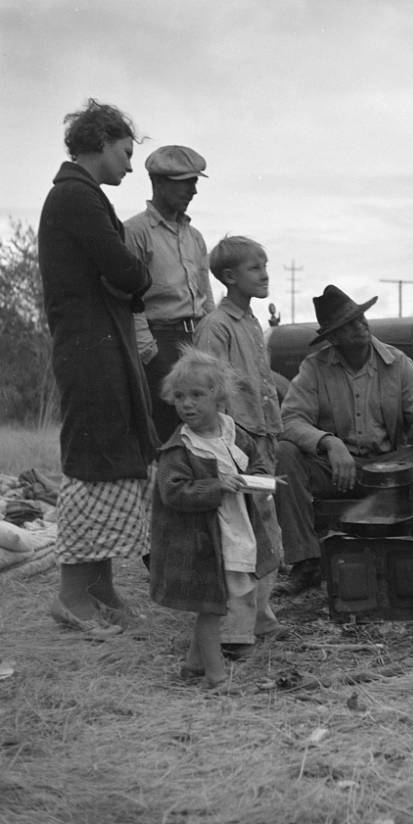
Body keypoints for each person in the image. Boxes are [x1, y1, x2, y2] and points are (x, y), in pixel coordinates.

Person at [37, 99, 158, 638]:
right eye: (126, 152)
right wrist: (133, 276)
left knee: (112, 453)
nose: (131, 165)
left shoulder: (84, 195)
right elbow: (128, 272)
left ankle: (100, 586)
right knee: (93, 462)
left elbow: (122, 275)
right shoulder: (75, 197)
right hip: (90, 349)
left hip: (101, 344)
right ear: (101, 142)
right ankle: (71, 595)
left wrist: (126, 278)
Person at [275, 285, 413, 594]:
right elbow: (289, 420)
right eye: (348, 324)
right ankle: (306, 561)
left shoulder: (398, 363)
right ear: (333, 338)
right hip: (338, 470)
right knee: (284, 453)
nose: (360, 325)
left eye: (361, 317)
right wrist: (330, 443)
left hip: (389, 469)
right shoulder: (314, 368)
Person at [149, 348, 280, 690]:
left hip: (235, 531)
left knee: (217, 601)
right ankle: (216, 677)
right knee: (212, 607)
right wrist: (216, 486)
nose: (187, 404)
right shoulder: (180, 448)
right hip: (203, 541)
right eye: (180, 397)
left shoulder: (233, 432)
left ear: (218, 396)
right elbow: (173, 492)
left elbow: (256, 462)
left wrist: (261, 481)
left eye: (196, 395)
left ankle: (194, 664)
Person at [193, 236, 285, 658]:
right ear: (229, 277)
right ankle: (233, 633)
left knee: (265, 530)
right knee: (240, 536)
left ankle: (260, 619)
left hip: (262, 437)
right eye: (255, 268)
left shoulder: (250, 322)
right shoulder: (217, 326)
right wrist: (227, 445)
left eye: (265, 266)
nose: (264, 274)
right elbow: (208, 386)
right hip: (236, 443)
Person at [125, 144, 215, 443]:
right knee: (165, 430)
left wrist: (211, 342)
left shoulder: (195, 237)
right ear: (159, 182)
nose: (193, 191)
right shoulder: (135, 232)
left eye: (195, 182)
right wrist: (150, 353)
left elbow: (205, 294)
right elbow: (129, 300)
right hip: (160, 341)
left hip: (196, 341)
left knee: (203, 430)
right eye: (186, 183)